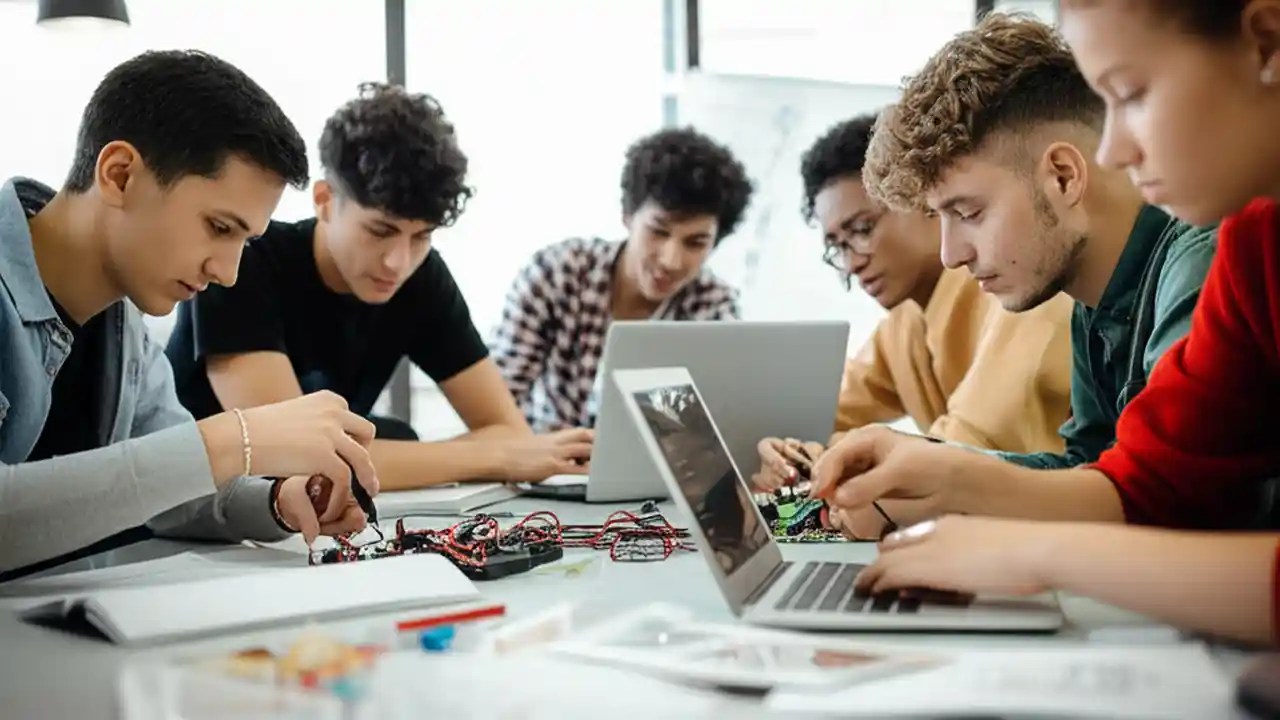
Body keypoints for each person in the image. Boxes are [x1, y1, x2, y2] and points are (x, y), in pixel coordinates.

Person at [814, 0, 1280, 647]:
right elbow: (1131, 480)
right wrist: (947, 476)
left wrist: (1028, 549)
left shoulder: (1206, 247)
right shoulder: (1228, 247)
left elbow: (1201, 514)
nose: (1114, 147)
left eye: (1131, 94)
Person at [0, 50, 379, 579]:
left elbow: (171, 492)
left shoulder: (125, 327)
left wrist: (278, 501)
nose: (228, 273)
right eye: (219, 228)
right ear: (120, 175)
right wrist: (234, 438)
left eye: (245, 241)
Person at [166, 83, 590, 491]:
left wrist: (496, 451)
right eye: (380, 231)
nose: (398, 262)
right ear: (324, 200)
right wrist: (494, 457)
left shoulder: (421, 279)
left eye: (421, 236)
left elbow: (508, 431)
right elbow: (294, 456)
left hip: (302, 523)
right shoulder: (244, 261)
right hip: (185, 516)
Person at [754, 113, 1074, 490]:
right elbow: (824, 413)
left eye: (862, 229)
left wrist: (833, 458)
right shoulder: (904, 325)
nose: (853, 263)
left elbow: (967, 442)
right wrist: (786, 450)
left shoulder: (1019, 294)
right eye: (838, 247)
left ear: (923, 198)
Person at [491, 127, 752, 432]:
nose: (670, 260)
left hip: (644, 461)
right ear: (627, 217)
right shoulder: (558, 273)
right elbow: (496, 404)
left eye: (695, 243)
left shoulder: (712, 308)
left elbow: (698, 437)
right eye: (658, 231)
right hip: (540, 453)